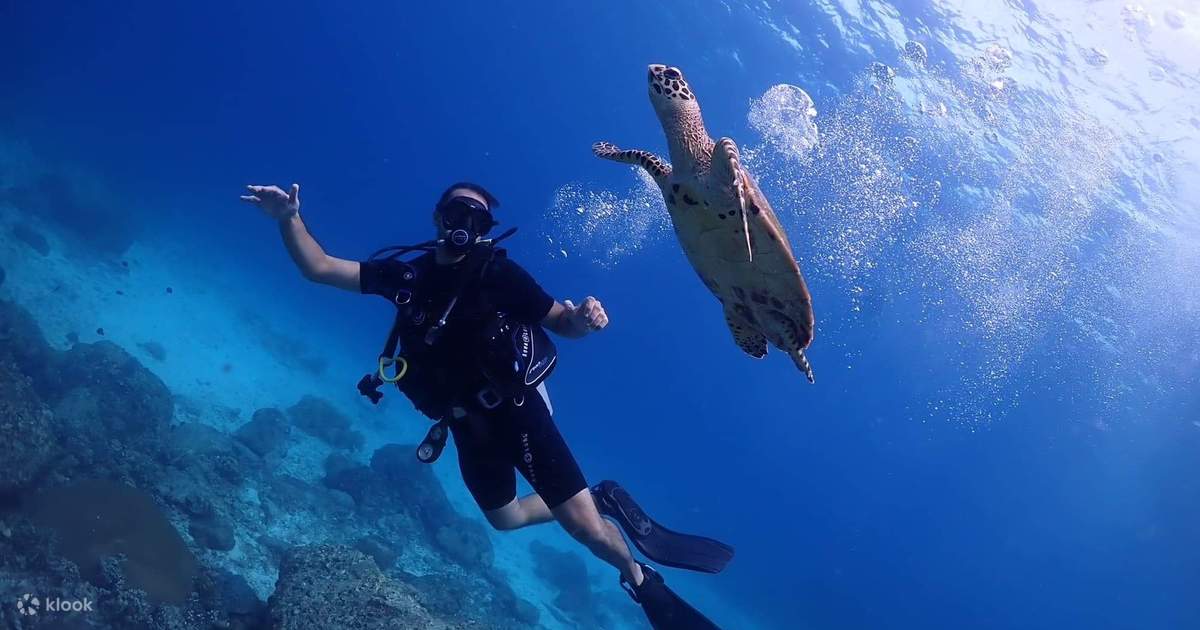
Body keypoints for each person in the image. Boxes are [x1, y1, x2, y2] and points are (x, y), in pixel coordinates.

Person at [241, 181, 724, 628]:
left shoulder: (501, 276)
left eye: (478, 219)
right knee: (505, 519)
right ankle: (596, 495)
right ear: (437, 216)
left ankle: (638, 579)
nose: (464, 225)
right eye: (457, 212)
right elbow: (319, 267)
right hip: (464, 423)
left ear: (486, 231)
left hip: (518, 413)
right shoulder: (408, 274)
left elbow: (562, 322)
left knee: (589, 534)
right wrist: (289, 217)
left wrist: (585, 318)